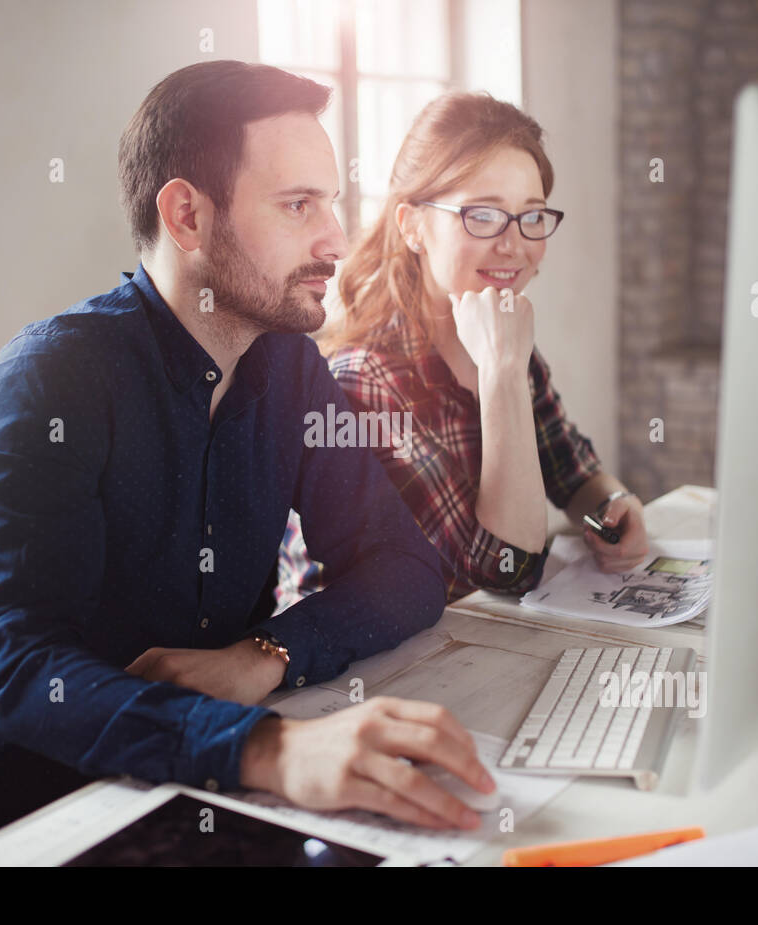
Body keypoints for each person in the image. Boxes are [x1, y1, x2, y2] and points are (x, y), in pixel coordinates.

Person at [0, 61, 498, 861]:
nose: (335, 238)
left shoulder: (289, 366)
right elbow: (9, 667)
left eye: (330, 202)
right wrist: (268, 749)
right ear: (187, 215)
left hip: (200, 792)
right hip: (40, 818)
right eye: (298, 205)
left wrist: (263, 659)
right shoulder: (47, 380)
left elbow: (402, 564)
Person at [278, 92, 649, 611]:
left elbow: (573, 471)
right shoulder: (362, 381)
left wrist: (613, 505)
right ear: (412, 225)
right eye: (483, 215)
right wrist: (501, 372)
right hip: (364, 675)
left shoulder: (502, 336)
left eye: (532, 216)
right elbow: (505, 572)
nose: (514, 244)